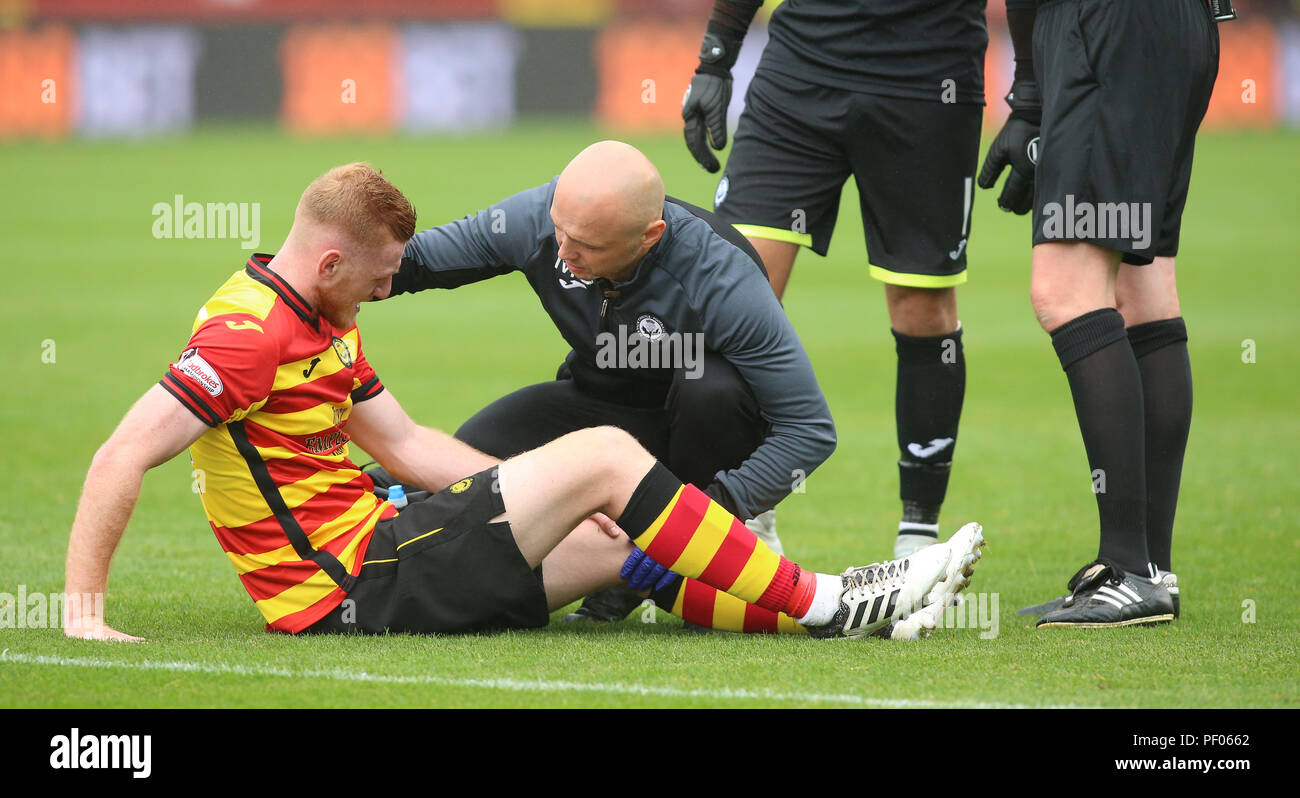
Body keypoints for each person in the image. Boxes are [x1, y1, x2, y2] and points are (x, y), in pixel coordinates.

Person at [61, 162, 987, 643]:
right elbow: (119, 454)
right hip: (347, 585)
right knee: (607, 455)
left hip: (381, 550)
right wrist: (82, 612)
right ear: (332, 262)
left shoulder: (321, 315)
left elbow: (410, 445)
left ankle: (874, 613)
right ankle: (830, 600)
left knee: (620, 548)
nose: (388, 291)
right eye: (379, 279)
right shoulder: (249, 335)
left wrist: (539, 492)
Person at [387, 140, 836, 622]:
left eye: (588, 246)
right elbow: (411, 263)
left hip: (699, 427)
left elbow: (808, 429)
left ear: (650, 236)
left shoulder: (722, 276)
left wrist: (700, 520)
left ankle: (653, 572)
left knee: (712, 387)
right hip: (597, 405)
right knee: (468, 464)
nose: (563, 252)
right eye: (559, 231)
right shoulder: (542, 218)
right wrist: (328, 280)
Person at [681, 0, 986, 560]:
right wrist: (716, 58)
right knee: (732, 289)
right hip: (801, 66)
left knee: (921, 307)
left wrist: (1031, 93)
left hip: (928, 77)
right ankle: (751, 517)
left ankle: (917, 540)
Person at [978, 0, 1220, 626]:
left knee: (1064, 291)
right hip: (1182, 27)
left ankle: (1128, 568)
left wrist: (1029, 95)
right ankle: (1149, 571)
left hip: (1104, 26)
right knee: (1143, 289)